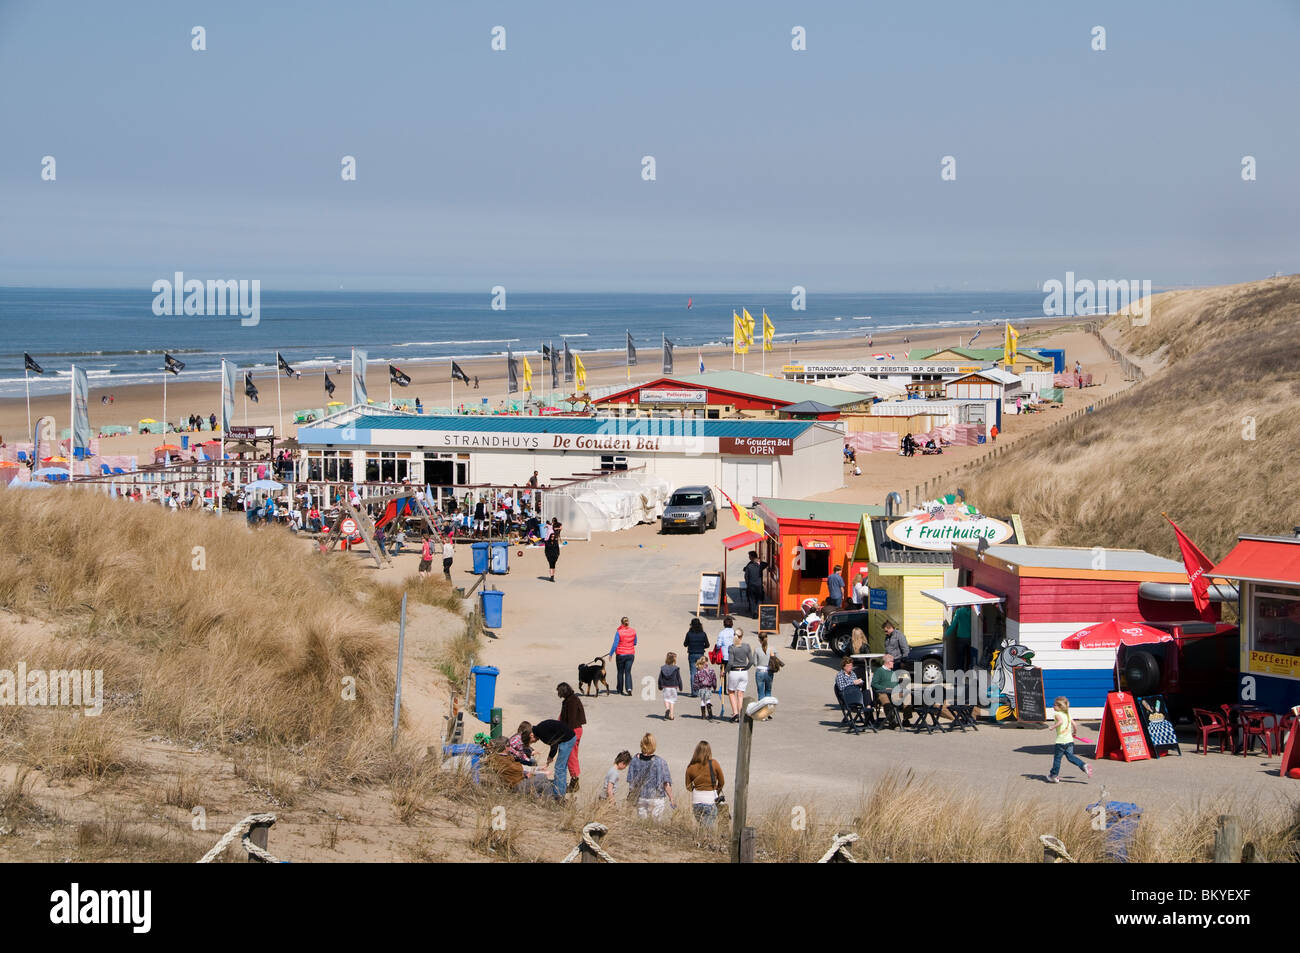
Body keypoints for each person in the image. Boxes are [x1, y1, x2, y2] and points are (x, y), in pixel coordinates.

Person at [626, 733, 675, 819]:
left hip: (641, 797)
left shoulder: (634, 760)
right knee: (656, 826)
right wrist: (671, 798)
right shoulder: (660, 762)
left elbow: (631, 781)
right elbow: (666, 783)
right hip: (656, 797)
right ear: (654, 745)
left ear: (642, 744)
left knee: (642, 825)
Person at [528, 719, 578, 798]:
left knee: (559, 768)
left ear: (531, 735)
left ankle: (558, 795)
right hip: (570, 737)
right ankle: (561, 790)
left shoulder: (541, 733)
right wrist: (550, 756)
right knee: (562, 767)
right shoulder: (539, 728)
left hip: (568, 740)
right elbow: (554, 741)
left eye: (531, 741)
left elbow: (554, 745)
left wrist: (550, 757)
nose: (533, 742)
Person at [1048, 696, 1092, 783]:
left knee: (1057, 759)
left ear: (1060, 707)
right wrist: (1074, 733)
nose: (1053, 706)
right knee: (1070, 757)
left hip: (1060, 742)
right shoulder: (1067, 714)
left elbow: (1060, 722)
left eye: (1055, 705)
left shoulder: (1057, 714)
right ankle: (1083, 765)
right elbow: (1075, 724)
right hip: (1070, 741)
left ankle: (1054, 775)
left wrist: (1052, 727)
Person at [684, 741, 725, 828]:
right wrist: (716, 792)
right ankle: (704, 841)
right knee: (708, 830)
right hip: (709, 801)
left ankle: (700, 841)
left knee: (702, 827)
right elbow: (721, 782)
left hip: (696, 802)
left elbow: (688, 786)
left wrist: (696, 789)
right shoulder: (714, 763)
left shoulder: (690, 766)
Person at [557, 682, 586, 793]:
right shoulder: (572, 699)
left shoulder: (571, 701)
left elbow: (571, 720)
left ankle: (574, 780)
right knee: (572, 756)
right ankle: (574, 779)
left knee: (571, 756)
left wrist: (564, 733)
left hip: (573, 731)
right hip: (575, 730)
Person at [725, 629, 754, 723]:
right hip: (743, 672)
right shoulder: (746, 646)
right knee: (740, 694)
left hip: (734, 671)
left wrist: (725, 672)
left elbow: (730, 663)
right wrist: (746, 668)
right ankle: (741, 713)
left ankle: (735, 713)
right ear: (742, 636)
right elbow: (751, 661)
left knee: (731, 692)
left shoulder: (732, 647)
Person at [608, 616, 637, 696]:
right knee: (628, 672)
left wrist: (611, 654)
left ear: (621, 623)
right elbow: (635, 642)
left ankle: (620, 689)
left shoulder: (619, 632)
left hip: (621, 655)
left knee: (620, 672)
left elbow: (615, 644)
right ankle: (629, 688)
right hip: (630, 654)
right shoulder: (633, 631)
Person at [682, 619, 710, 696]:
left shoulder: (689, 634)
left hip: (692, 654)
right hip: (701, 654)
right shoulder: (703, 634)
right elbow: (707, 645)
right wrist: (702, 646)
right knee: (701, 673)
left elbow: (685, 644)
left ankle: (694, 692)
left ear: (691, 625)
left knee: (693, 673)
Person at [754, 633, 779, 703]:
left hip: (760, 672)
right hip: (769, 671)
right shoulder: (773, 649)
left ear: (759, 639)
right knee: (768, 692)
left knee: (760, 693)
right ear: (767, 638)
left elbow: (755, 663)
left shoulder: (757, 649)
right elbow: (778, 660)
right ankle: (768, 710)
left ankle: (761, 710)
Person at [658, 652, 682, 720]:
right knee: (672, 701)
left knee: (666, 699)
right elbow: (678, 678)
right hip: (673, 687)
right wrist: (680, 686)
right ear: (674, 660)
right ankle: (671, 715)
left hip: (666, 687)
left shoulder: (663, 668)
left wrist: (660, 686)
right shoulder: (676, 668)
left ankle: (667, 709)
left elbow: (660, 678)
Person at [692, 656, 718, 720]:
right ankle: (710, 714)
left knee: (702, 700)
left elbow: (696, 681)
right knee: (708, 699)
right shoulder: (711, 671)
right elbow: (714, 679)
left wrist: (695, 688)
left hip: (701, 688)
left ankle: (703, 715)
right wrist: (714, 686)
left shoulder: (698, 672)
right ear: (707, 662)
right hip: (708, 687)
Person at [742, 550, 766, 617]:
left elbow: (746, 576)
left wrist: (748, 584)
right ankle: (757, 611)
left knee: (752, 599)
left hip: (751, 585)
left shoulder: (750, 566)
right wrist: (759, 562)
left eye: (749, 556)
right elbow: (766, 564)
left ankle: (754, 613)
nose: (749, 557)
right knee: (759, 599)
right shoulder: (760, 565)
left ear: (752, 557)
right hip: (759, 585)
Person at [715, 615, 737, 687]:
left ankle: (723, 688)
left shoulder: (722, 633)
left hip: (724, 656)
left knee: (723, 671)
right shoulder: (734, 632)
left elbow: (718, 644)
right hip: (733, 655)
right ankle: (731, 687)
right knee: (732, 673)